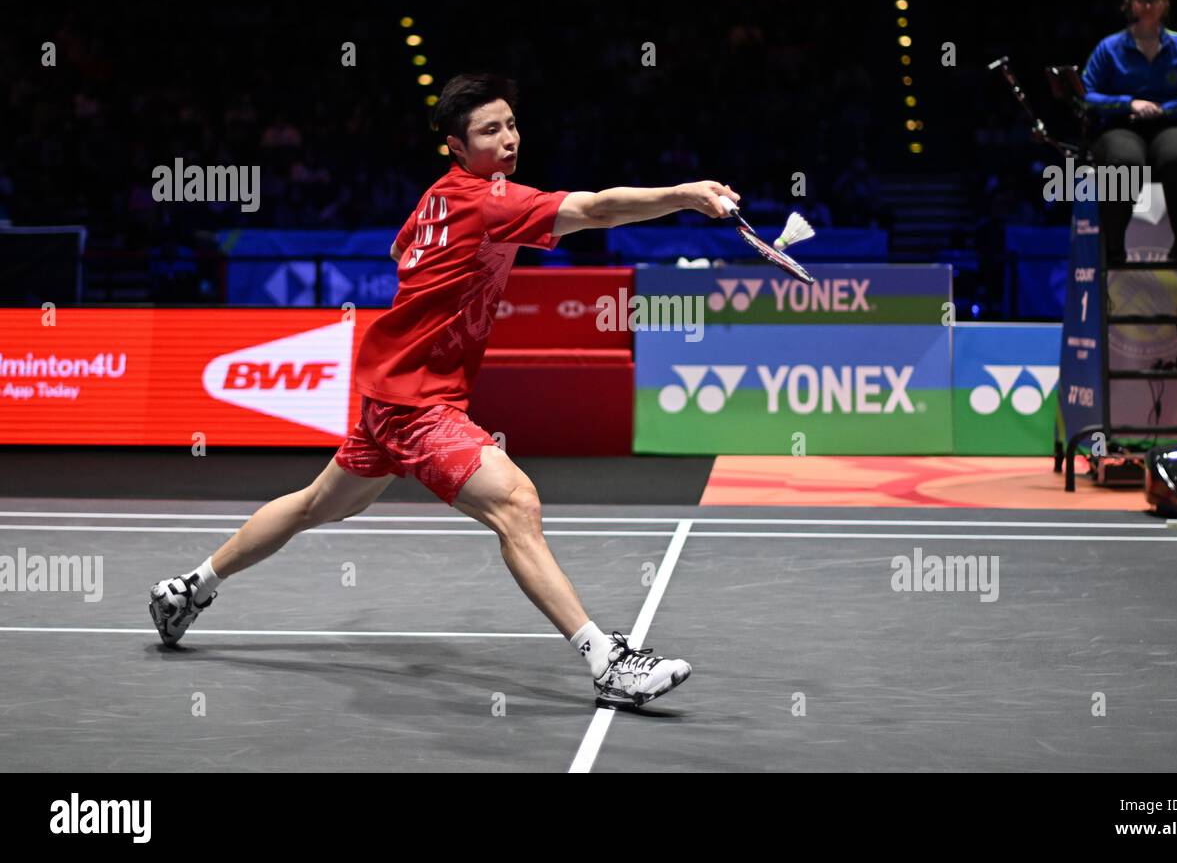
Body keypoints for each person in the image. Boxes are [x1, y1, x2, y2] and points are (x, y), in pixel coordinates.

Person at [148, 73, 741, 709]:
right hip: (417, 402)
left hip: (388, 392)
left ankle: (190, 588)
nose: (509, 139)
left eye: (512, 124)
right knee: (515, 502)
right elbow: (597, 210)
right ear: (458, 147)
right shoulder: (491, 201)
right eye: (491, 131)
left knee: (318, 503)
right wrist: (682, 194)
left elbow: (402, 249)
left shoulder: (438, 198)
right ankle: (608, 663)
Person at [1082, 0, 1177, 266]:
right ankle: (1113, 250)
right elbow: (1086, 96)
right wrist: (1128, 103)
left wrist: (1166, 109)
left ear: (1165, 3)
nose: (1148, 5)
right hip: (1121, 126)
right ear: (1128, 4)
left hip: (1169, 125)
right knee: (1123, 161)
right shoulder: (1109, 48)